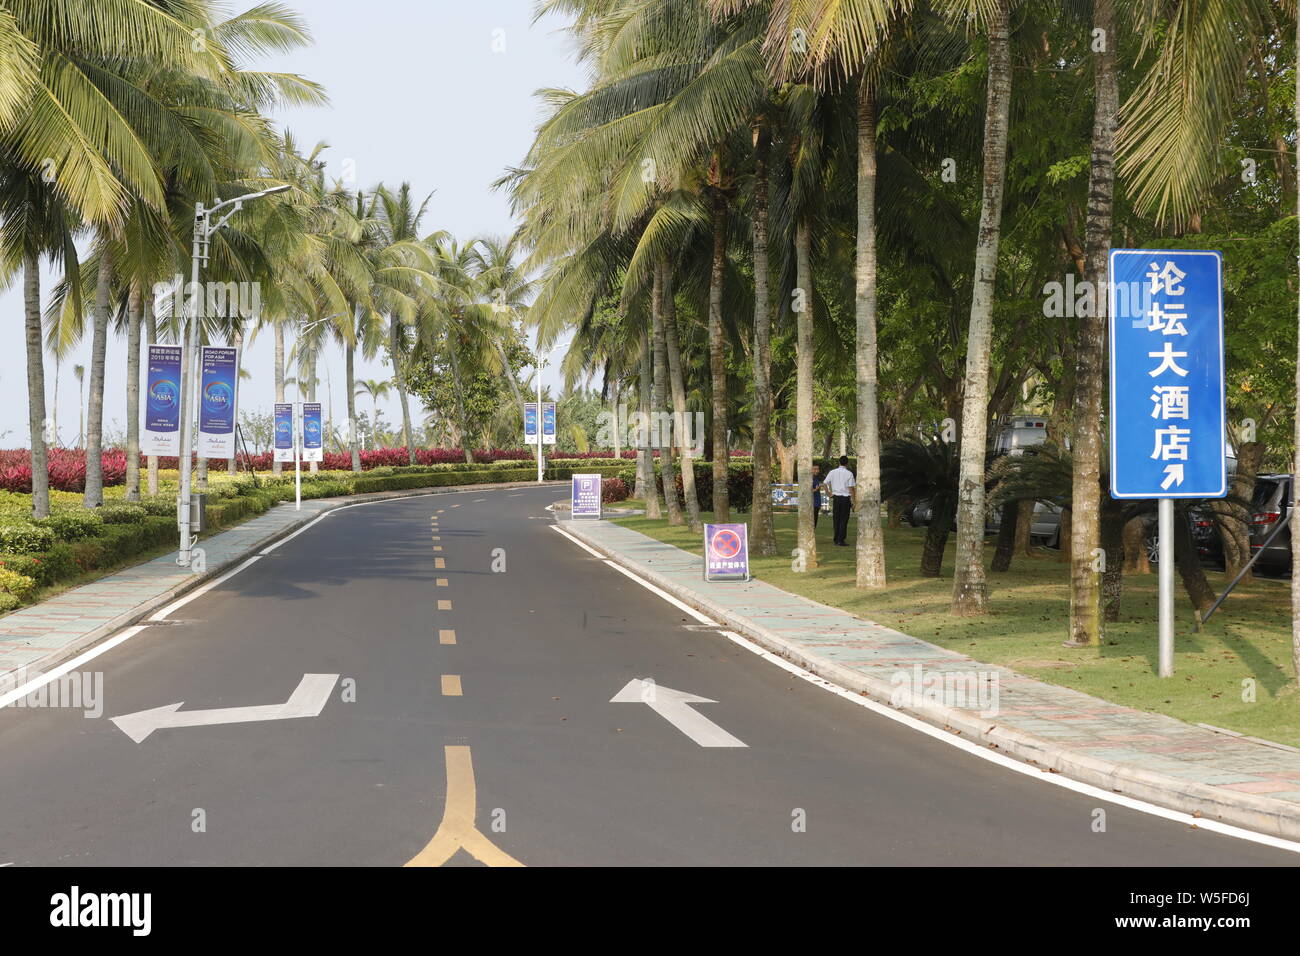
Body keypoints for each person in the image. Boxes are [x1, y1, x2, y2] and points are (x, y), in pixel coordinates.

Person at [824, 455, 856, 546]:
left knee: (836, 518)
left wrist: (828, 493)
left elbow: (824, 483)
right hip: (845, 498)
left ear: (839, 462)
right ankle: (841, 540)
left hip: (836, 497)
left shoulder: (832, 472)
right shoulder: (849, 473)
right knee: (844, 519)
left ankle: (836, 538)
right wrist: (853, 500)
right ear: (847, 463)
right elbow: (851, 488)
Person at [811, 463, 823, 529]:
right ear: (811, 470)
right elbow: (808, 492)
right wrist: (816, 489)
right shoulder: (809, 479)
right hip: (812, 504)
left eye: (818, 469)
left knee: (815, 522)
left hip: (817, 503)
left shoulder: (816, 478)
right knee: (812, 522)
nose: (817, 471)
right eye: (815, 469)